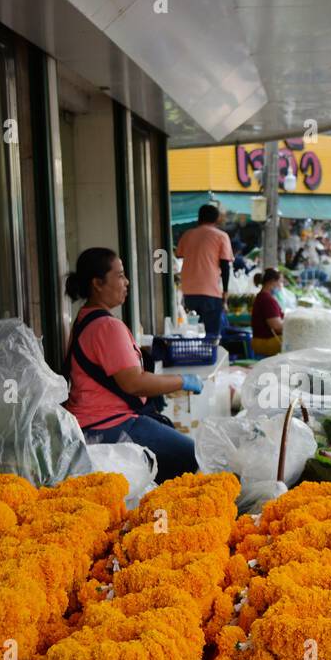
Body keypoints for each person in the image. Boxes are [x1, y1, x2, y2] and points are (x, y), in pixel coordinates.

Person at [62, 247, 202, 481]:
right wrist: (182, 381)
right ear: (97, 283)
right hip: (109, 424)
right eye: (119, 275)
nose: (126, 282)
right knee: (194, 457)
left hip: (89, 425)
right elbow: (134, 383)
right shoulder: (107, 326)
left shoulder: (84, 319)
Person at [175, 204, 233, 338]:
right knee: (211, 335)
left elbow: (179, 254)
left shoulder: (187, 235)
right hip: (210, 292)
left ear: (199, 217)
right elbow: (225, 265)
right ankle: (209, 358)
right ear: (216, 218)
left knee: (193, 333)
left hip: (189, 291)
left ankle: (195, 357)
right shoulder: (221, 236)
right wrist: (225, 291)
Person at [250, 268, 286, 357]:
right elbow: (276, 326)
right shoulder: (267, 300)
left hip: (261, 340)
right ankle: (286, 370)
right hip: (266, 342)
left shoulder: (262, 296)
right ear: (273, 281)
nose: (281, 285)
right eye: (280, 282)